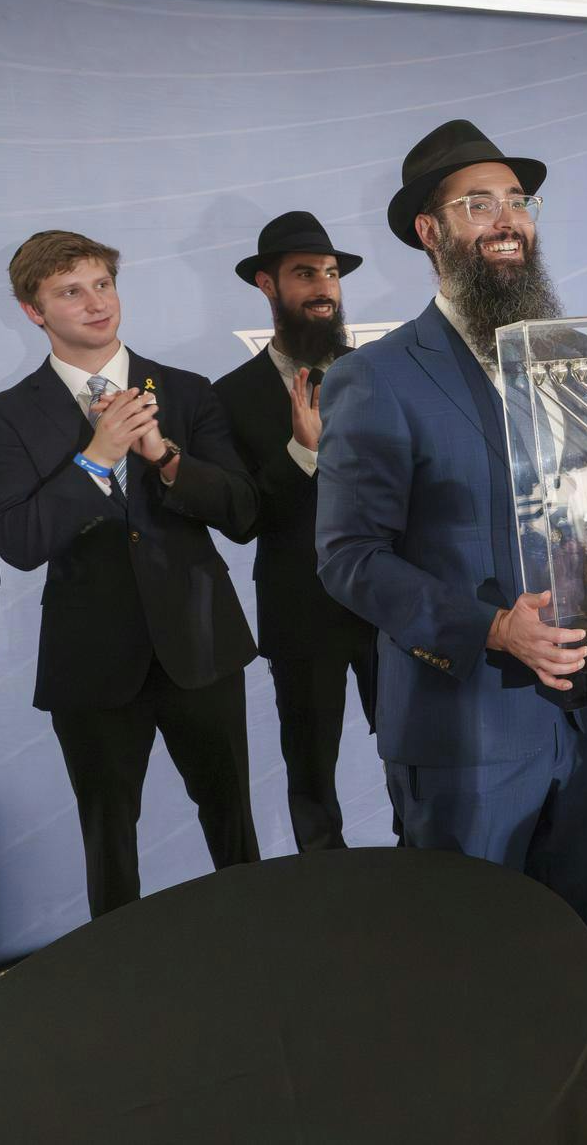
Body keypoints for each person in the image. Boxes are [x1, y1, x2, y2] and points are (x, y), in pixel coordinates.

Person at [314, 119, 587, 930]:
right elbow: (348, 557)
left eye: (518, 200)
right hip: (463, 730)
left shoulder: (571, 358)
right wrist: (489, 627)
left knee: (570, 941)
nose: (508, 218)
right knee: (468, 963)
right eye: (478, 204)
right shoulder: (373, 377)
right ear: (429, 230)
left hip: (580, 714)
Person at [0, 230, 261, 918]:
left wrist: (166, 459)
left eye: (102, 283)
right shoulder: (7, 413)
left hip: (201, 643)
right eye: (70, 290)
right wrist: (97, 459)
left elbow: (244, 512)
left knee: (235, 824)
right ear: (32, 310)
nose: (95, 302)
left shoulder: (188, 392)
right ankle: (117, 994)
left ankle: (262, 950)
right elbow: (17, 540)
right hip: (91, 658)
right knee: (109, 840)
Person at [214, 212, 379, 852]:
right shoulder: (228, 396)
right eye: (304, 273)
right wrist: (301, 452)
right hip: (300, 612)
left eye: (331, 274)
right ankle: (325, 897)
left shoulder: (378, 373)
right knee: (312, 773)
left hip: (390, 600)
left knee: (415, 757)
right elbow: (243, 516)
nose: (323, 288)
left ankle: (431, 880)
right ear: (266, 285)